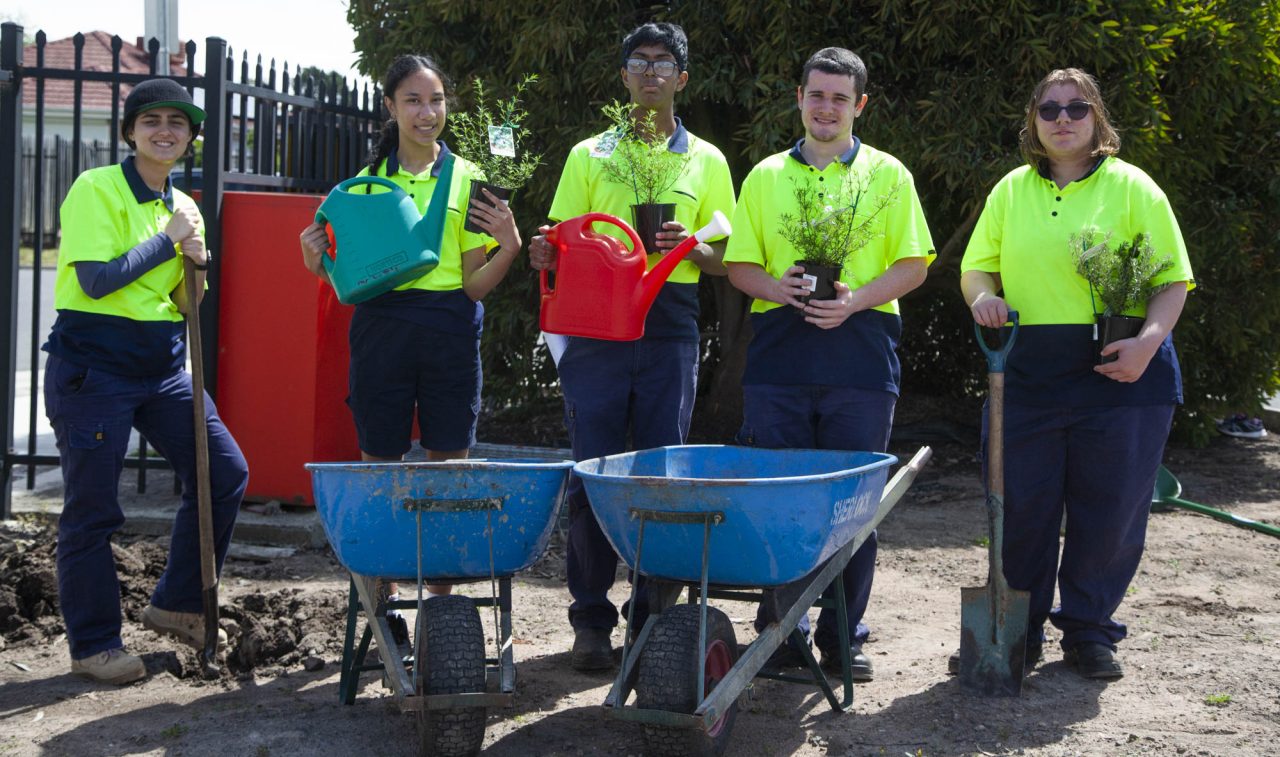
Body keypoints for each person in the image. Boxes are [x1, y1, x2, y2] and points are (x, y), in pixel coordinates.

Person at [959, 68, 1194, 679]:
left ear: (1097, 119)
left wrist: (1146, 343)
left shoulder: (1134, 188)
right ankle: (1019, 628)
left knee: (1109, 513)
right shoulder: (1011, 190)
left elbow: (1172, 281)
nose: (1062, 118)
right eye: (1049, 108)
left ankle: (1090, 631)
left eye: (1076, 108)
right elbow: (976, 270)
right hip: (1027, 374)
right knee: (1021, 508)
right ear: (1033, 121)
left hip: (1123, 375)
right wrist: (983, 297)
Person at [527, 22, 736, 671]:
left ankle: (649, 615)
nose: (651, 73)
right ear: (623, 77)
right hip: (597, 319)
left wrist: (690, 246)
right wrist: (543, 249)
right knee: (593, 467)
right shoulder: (591, 154)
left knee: (658, 472)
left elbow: (727, 256)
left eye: (663, 62)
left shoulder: (707, 159)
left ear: (682, 77)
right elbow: (562, 240)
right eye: (639, 62)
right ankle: (590, 617)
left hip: (670, 318)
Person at [723, 47, 934, 682]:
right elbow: (739, 266)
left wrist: (856, 300)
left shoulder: (888, 176)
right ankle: (781, 638)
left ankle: (844, 640)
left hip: (861, 359)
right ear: (799, 97)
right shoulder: (763, 177)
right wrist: (774, 288)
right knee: (779, 504)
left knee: (853, 508)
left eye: (840, 98)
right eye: (817, 95)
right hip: (779, 360)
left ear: (859, 105)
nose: (826, 107)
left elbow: (914, 265)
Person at [298, 54, 523, 642]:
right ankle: (384, 604)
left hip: (451, 329)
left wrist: (509, 248)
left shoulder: (470, 177)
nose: (428, 113)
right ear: (392, 107)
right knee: (381, 466)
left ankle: (441, 609)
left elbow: (474, 283)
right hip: (381, 331)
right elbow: (350, 280)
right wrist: (316, 262)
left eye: (437, 100)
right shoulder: (364, 186)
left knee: (449, 465)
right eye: (414, 101)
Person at [43, 78, 249, 684]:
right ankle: (95, 645)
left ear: (191, 137)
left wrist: (196, 260)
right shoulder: (97, 188)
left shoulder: (179, 206)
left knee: (226, 472)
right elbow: (99, 281)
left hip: (162, 370)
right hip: (93, 371)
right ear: (130, 130)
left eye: (178, 123)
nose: (166, 130)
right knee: (93, 511)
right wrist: (169, 240)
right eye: (152, 120)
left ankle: (177, 603)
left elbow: (188, 300)